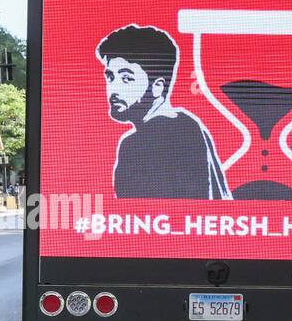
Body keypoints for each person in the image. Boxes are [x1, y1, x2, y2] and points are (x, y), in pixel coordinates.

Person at [97, 24, 229, 200]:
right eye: (110, 77)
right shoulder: (188, 125)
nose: (114, 89)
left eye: (126, 78)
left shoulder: (148, 140)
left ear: (157, 87)